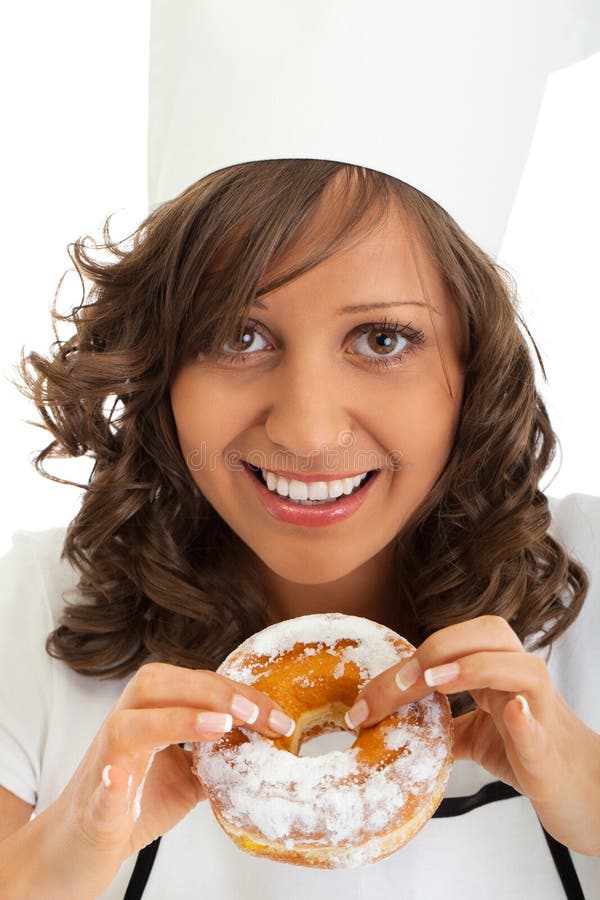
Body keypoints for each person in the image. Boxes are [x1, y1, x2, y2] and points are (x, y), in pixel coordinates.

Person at [0, 161, 598, 899]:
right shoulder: (37, 610)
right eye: (236, 336)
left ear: (475, 369)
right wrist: (64, 857)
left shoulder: (590, 586)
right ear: (160, 370)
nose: (310, 433)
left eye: (382, 339)